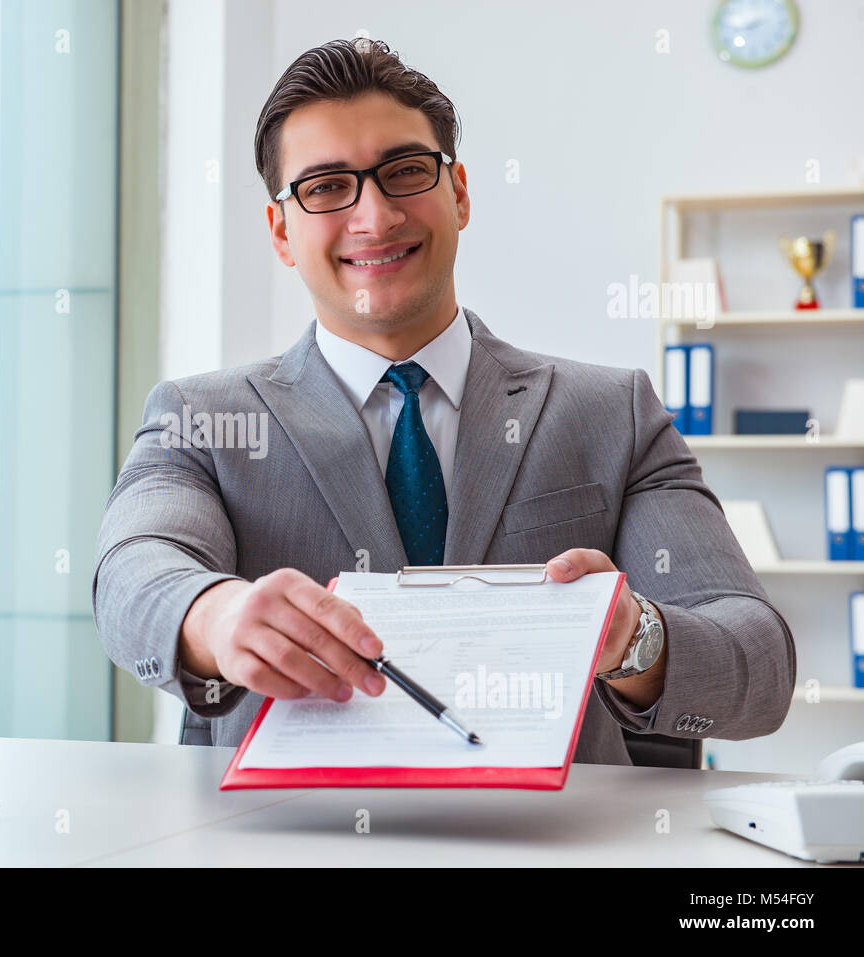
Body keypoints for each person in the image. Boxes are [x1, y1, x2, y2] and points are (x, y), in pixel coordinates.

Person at [92, 37, 795, 763]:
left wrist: (633, 634)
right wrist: (218, 615)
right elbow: (133, 571)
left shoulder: (611, 412)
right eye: (327, 186)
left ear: (458, 192)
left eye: (403, 172)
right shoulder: (203, 420)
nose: (375, 215)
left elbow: (760, 664)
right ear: (281, 230)